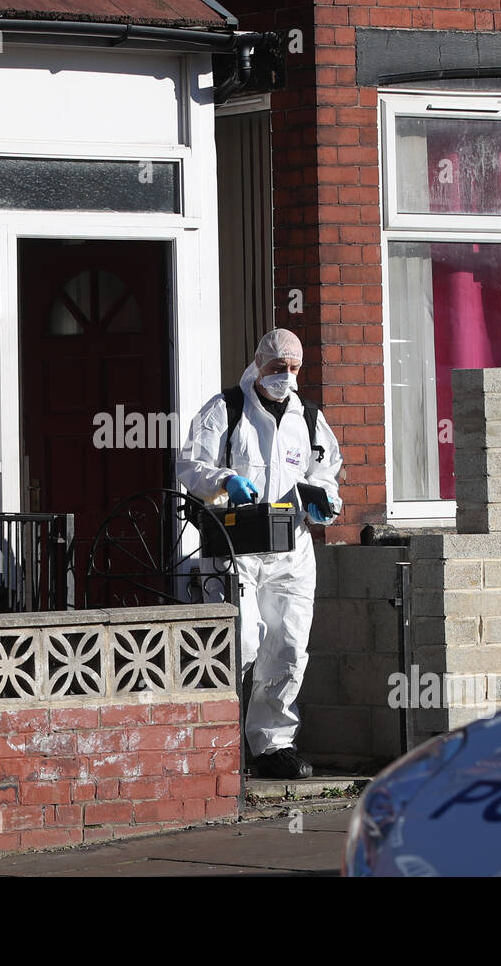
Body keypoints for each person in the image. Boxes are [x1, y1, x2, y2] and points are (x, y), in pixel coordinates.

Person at [176, 328, 343, 779]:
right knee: (241, 641)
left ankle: (271, 745)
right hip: (236, 546)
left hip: (290, 549)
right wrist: (224, 480)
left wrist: (322, 503)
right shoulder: (226, 409)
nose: (284, 377)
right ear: (258, 363)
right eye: (276, 368)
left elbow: (326, 475)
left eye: (292, 370)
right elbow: (190, 463)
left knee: (287, 647)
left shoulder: (308, 418)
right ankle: (217, 739)